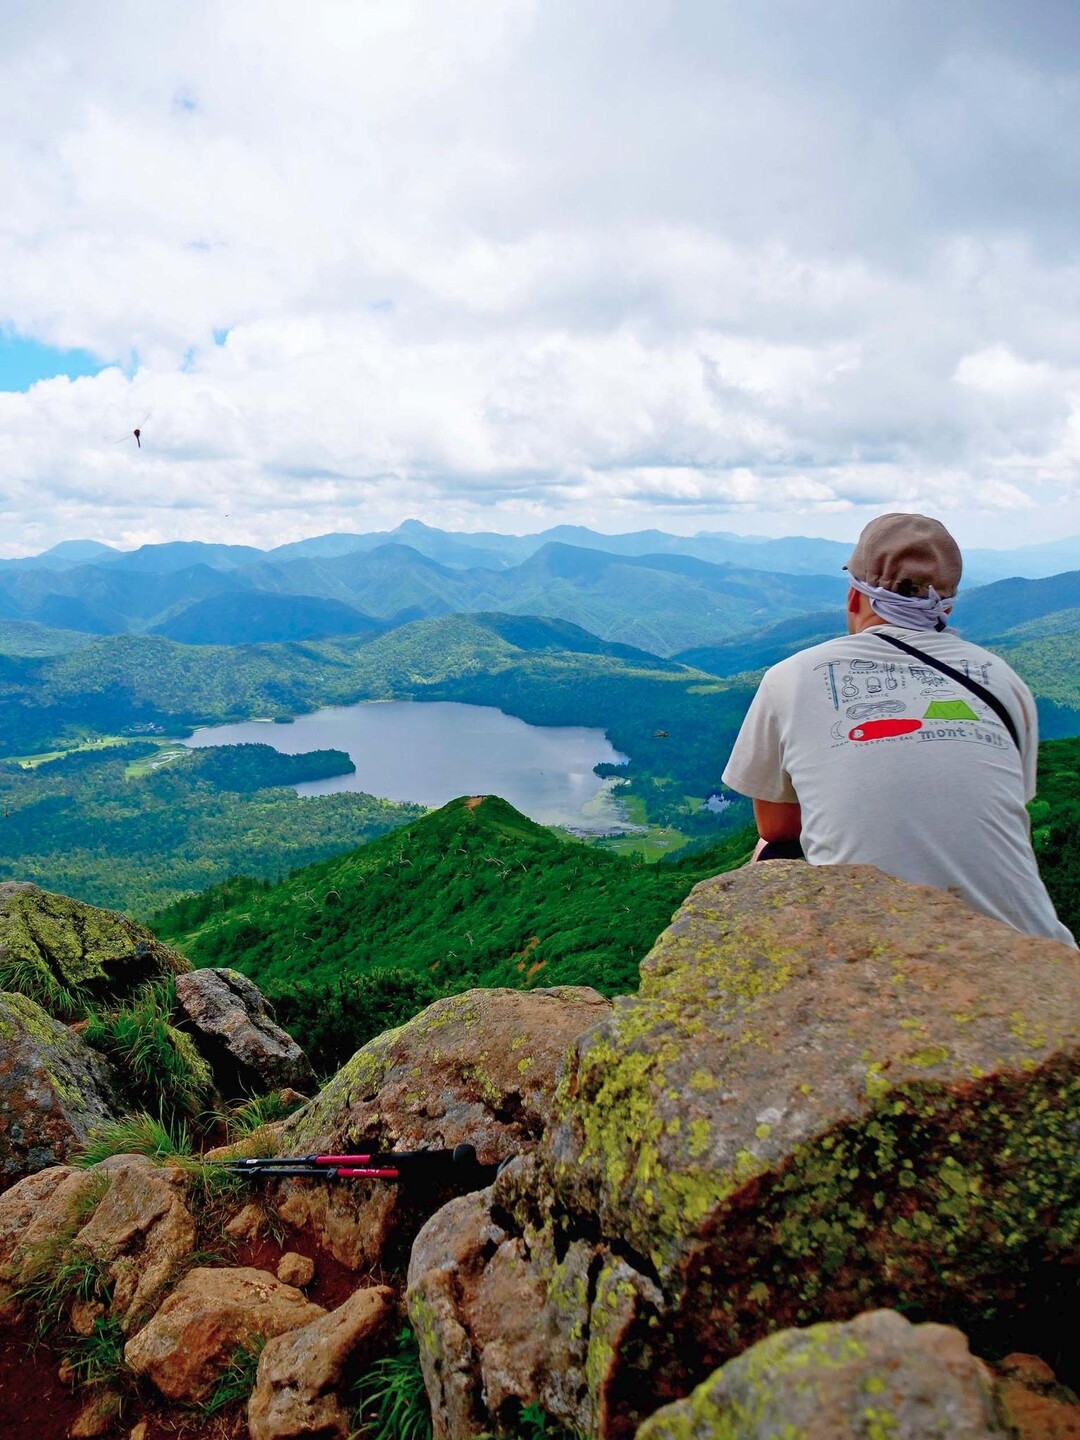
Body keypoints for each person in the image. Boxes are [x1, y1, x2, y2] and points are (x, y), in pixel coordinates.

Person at [721, 512, 1076, 947]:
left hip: (878, 950)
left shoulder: (791, 677)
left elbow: (777, 828)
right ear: (947, 604)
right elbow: (1003, 808)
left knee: (768, 854)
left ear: (854, 597)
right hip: (1039, 956)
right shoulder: (1002, 680)